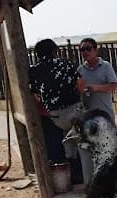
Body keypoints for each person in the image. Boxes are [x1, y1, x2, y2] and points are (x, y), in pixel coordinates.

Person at [28, 38, 85, 188]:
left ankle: (62, 180)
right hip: (74, 110)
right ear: (55, 51)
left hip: (54, 115)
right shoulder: (66, 64)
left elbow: (35, 95)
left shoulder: (34, 70)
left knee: (56, 145)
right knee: (80, 143)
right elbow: (80, 83)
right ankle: (80, 176)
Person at [76, 38, 117, 184]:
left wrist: (96, 88)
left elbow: (113, 86)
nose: (85, 52)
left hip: (105, 113)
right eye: (82, 50)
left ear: (95, 50)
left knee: (109, 144)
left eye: (88, 48)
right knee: (94, 146)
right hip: (89, 116)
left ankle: (112, 174)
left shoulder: (105, 66)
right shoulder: (80, 70)